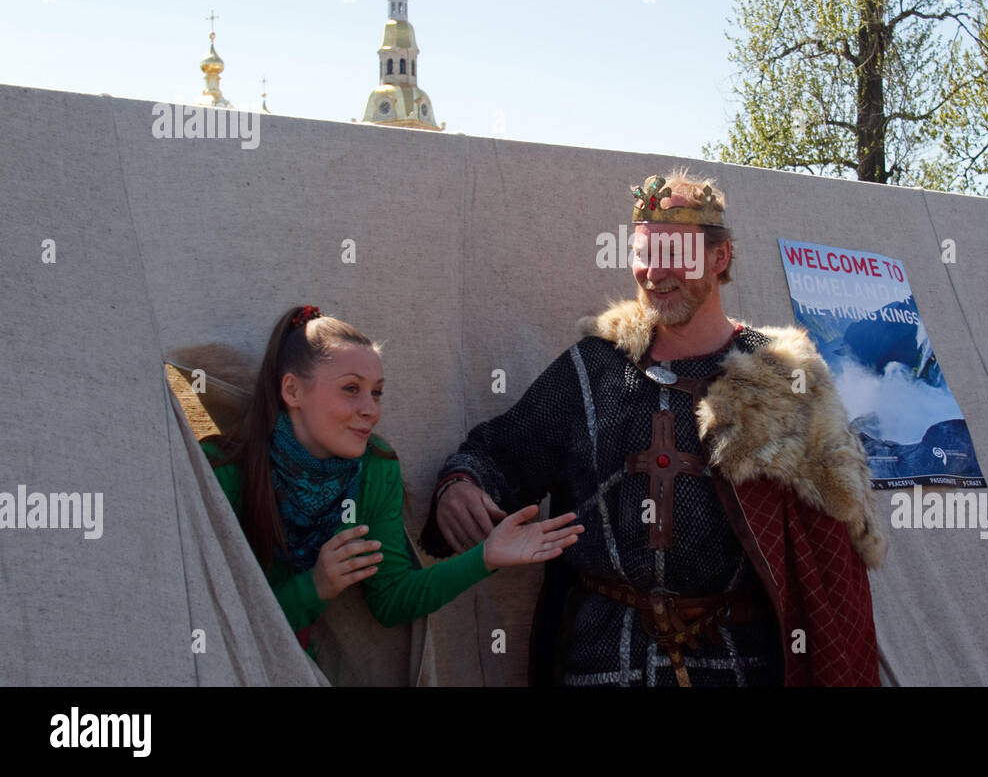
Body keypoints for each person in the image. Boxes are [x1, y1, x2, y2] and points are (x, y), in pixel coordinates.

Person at [421, 169, 886, 687]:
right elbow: (501, 452)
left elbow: (830, 560)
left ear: (720, 257)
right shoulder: (594, 368)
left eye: (675, 254)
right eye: (644, 253)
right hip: (600, 660)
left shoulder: (780, 377)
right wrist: (461, 484)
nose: (655, 272)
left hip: (736, 663)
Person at [203, 304, 583, 661]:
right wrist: (315, 586)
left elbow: (391, 600)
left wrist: (486, 556)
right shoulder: (223, 471)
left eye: (377, 392)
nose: (371, 410)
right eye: (351, 389)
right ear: (292, 391)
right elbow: (213, 618)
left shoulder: (375, 467)